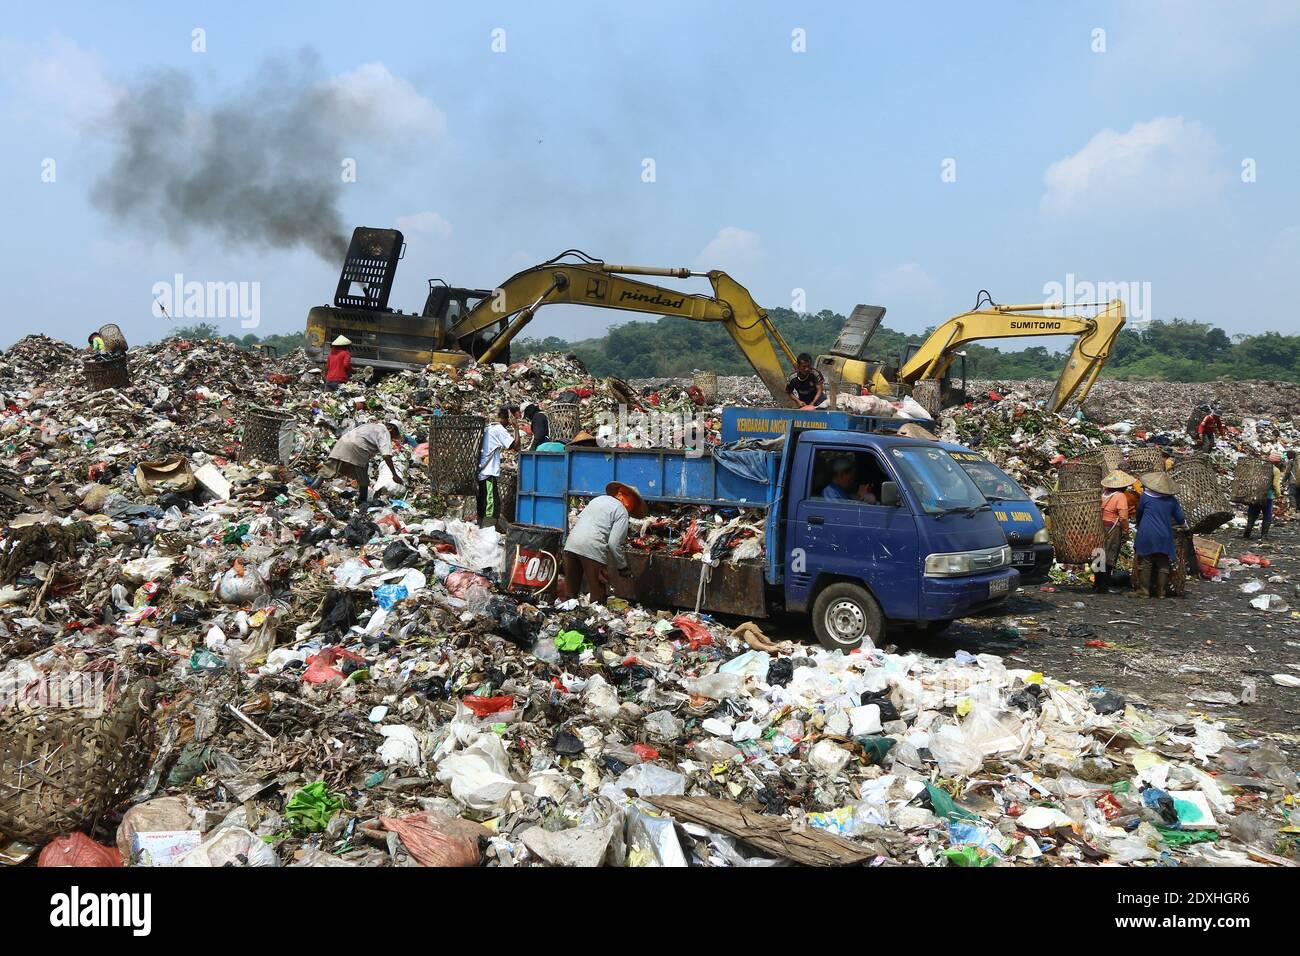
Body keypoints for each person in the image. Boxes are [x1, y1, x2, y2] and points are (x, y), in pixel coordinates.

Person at [562, 482, 646, 601]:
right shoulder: (622, 511)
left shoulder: (598, 499)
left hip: (570, 545)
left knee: (570, 595)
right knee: (598, 598)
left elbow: (577, 521)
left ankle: (565, 616)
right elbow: (614, 543)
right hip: (592, 548)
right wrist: (623, 567)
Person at [318, 420, 403, 507]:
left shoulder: (370, 425)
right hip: (359, 448)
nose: (393, 438)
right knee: (363, 480)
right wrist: (394, 474)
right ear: (392, 429)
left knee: (328, 468)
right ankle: (362, 502)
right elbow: (386, 456)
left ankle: (312, 488)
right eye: (394, 435)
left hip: (343, 442)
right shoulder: (384, 432)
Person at [1131, 471, 1186, 598]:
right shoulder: (1172, 500)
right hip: (1165, 534)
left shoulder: (1145, 497)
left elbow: (1139, 513)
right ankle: (1161, 592)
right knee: (1163, 563)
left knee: (1145, 561)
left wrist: (1139, 525)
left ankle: (1144, 591)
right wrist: (1185, 529)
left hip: (1147, 533)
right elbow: (1180, 518)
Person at [477, 405, 520, 528]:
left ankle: (482, 529)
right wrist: (516, 427)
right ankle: (487, 530)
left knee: (483, 503)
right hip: (487, 473)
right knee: (492, 504)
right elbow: (516, 447)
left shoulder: (488, 428)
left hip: (480, 473)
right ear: (508, 417)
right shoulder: (498, 429)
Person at [1096, 470, 1136, 593]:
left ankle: (1096, 584)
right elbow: (1123, 517)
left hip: (1099, 526)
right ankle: (1103, 586)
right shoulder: (1120, 496)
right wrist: (1125, 531)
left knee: (1098, 554)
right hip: (1112, 528)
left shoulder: (1104, 493)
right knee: (1110, 555)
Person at [1244, 452, 1283, 540]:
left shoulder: (1259, 467)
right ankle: (1264, 534)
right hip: (1267, 497)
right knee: (1267, 515)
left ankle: (1247, 531)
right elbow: (1275, 484)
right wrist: (1278, 494)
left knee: (1252, 513)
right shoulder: (1275, 470)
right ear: (1277, 462)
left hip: (1255, 495)